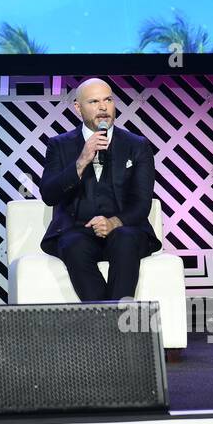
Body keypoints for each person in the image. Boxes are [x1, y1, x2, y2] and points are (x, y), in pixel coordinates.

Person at [39, 77, 162, 302]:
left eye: (108, 100)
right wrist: (81, 161)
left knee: (125, 240)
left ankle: (111, 324)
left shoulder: (137, 145)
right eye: (94, 101)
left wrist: (113, 222)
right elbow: (48, 194)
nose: (103, 107)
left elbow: (141, 203)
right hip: (78, 229)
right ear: (78, 107)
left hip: (125, 228)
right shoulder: (59, 145)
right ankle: (109, 322)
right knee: (74, 245)